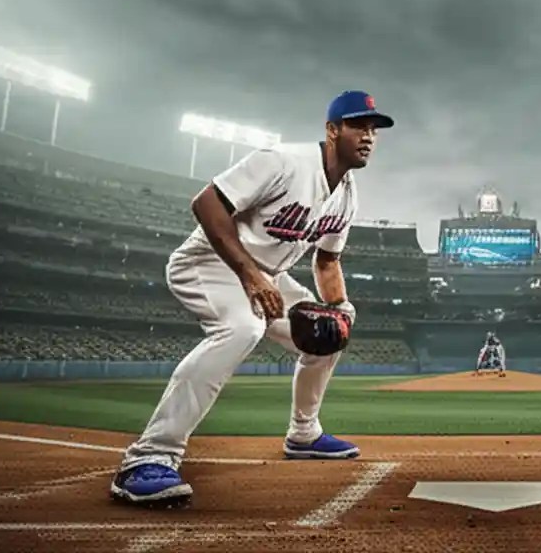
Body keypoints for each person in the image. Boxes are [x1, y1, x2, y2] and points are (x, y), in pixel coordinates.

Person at [109, 90, 394, 507]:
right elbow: (206, 203)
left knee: (328, 332)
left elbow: (327, 260)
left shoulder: (347, 196)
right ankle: (148, 457)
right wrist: (249, 276)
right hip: (208, 262)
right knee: (243, 328)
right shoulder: (283, 162)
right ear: (332, 130)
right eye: (357, 126)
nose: (367, 136)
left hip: (267, 276)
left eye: (373, 130)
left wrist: (339, 308)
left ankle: (304, 434)